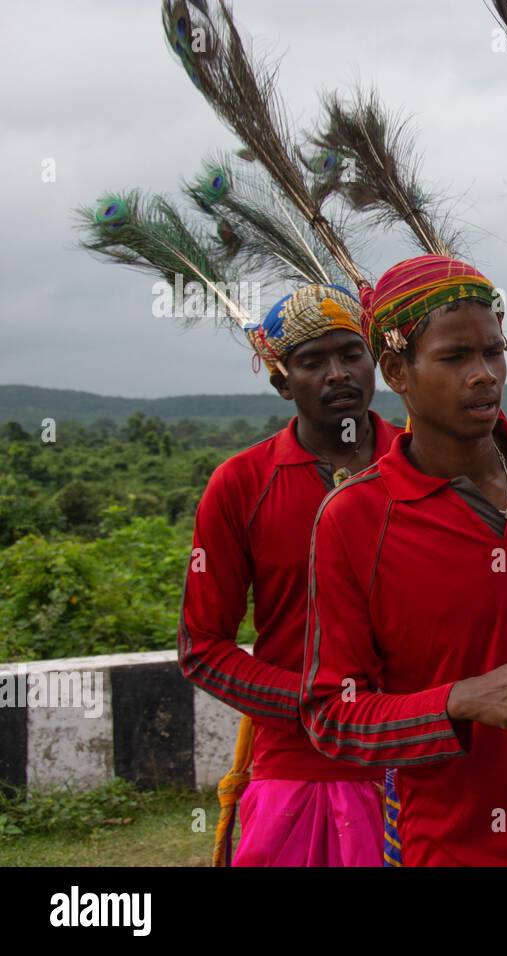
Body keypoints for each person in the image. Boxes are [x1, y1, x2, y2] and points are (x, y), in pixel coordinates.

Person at [302, 254, 507, 866]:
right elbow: (332, 715)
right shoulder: (355, 519)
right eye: (455, 357)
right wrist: (455, 701)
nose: (484, 375)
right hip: (452, 849)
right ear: (396, 371)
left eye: (494, 352)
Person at [178, 284, 403, 866]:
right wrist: (313, 706)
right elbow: (202, 648)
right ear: (282, 382)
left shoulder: (427, 465)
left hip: (426, 754)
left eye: (351, 353)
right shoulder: (241, 485)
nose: (338, 374)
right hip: (300, 768)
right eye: (312, 362)